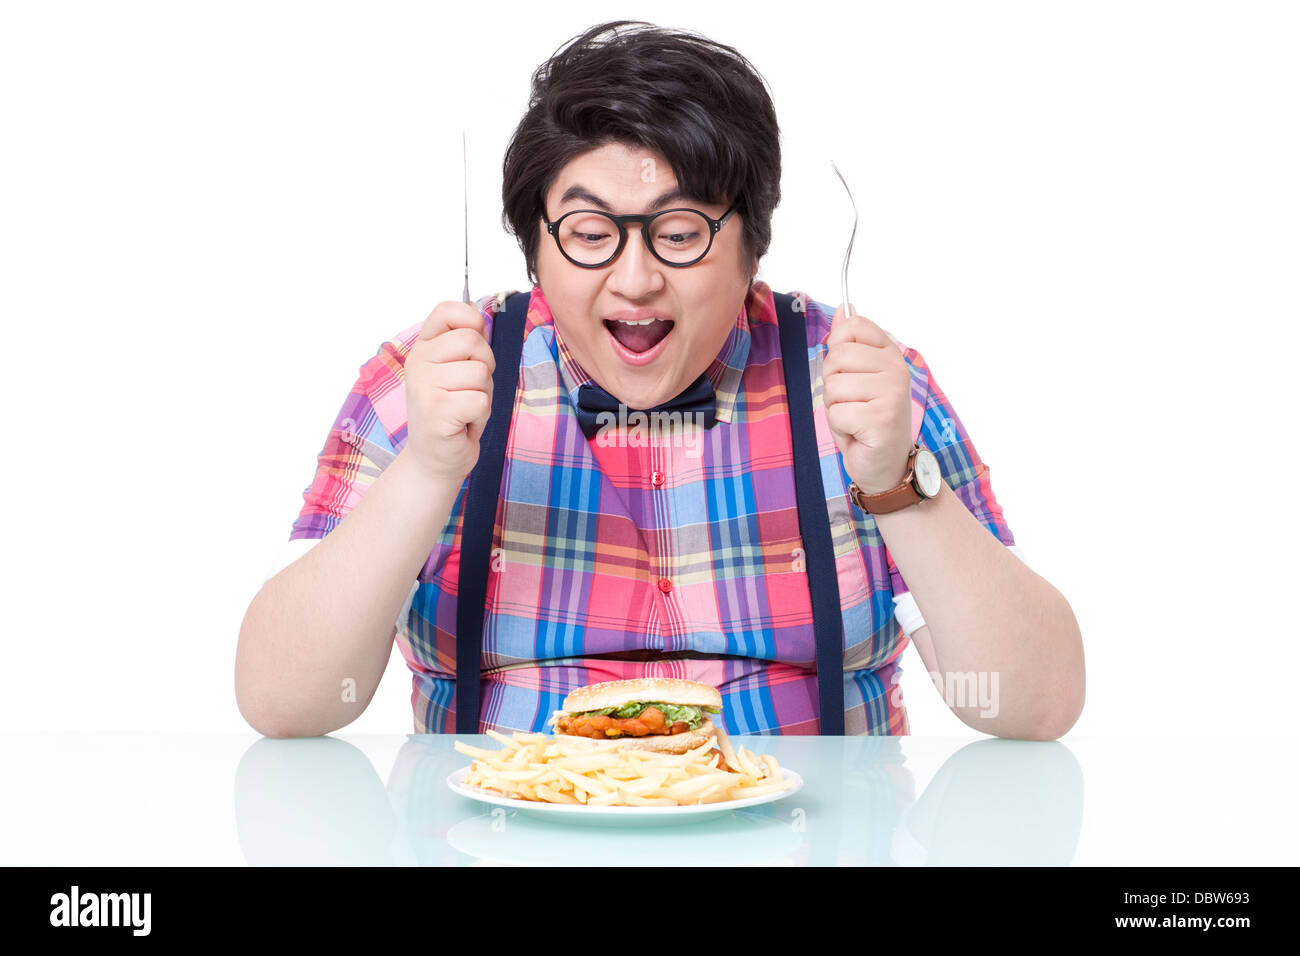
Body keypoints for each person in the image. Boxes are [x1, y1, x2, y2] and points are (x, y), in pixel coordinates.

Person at [235, 20, 1084, 740]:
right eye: (589, 230)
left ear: (755, 244)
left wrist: (900, 487)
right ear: (533, 247)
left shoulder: (859, 384)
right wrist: (424, 471)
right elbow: (286, 705)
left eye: (680, 232)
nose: (635, 279)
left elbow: (1033, 706)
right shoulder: (431, 377)